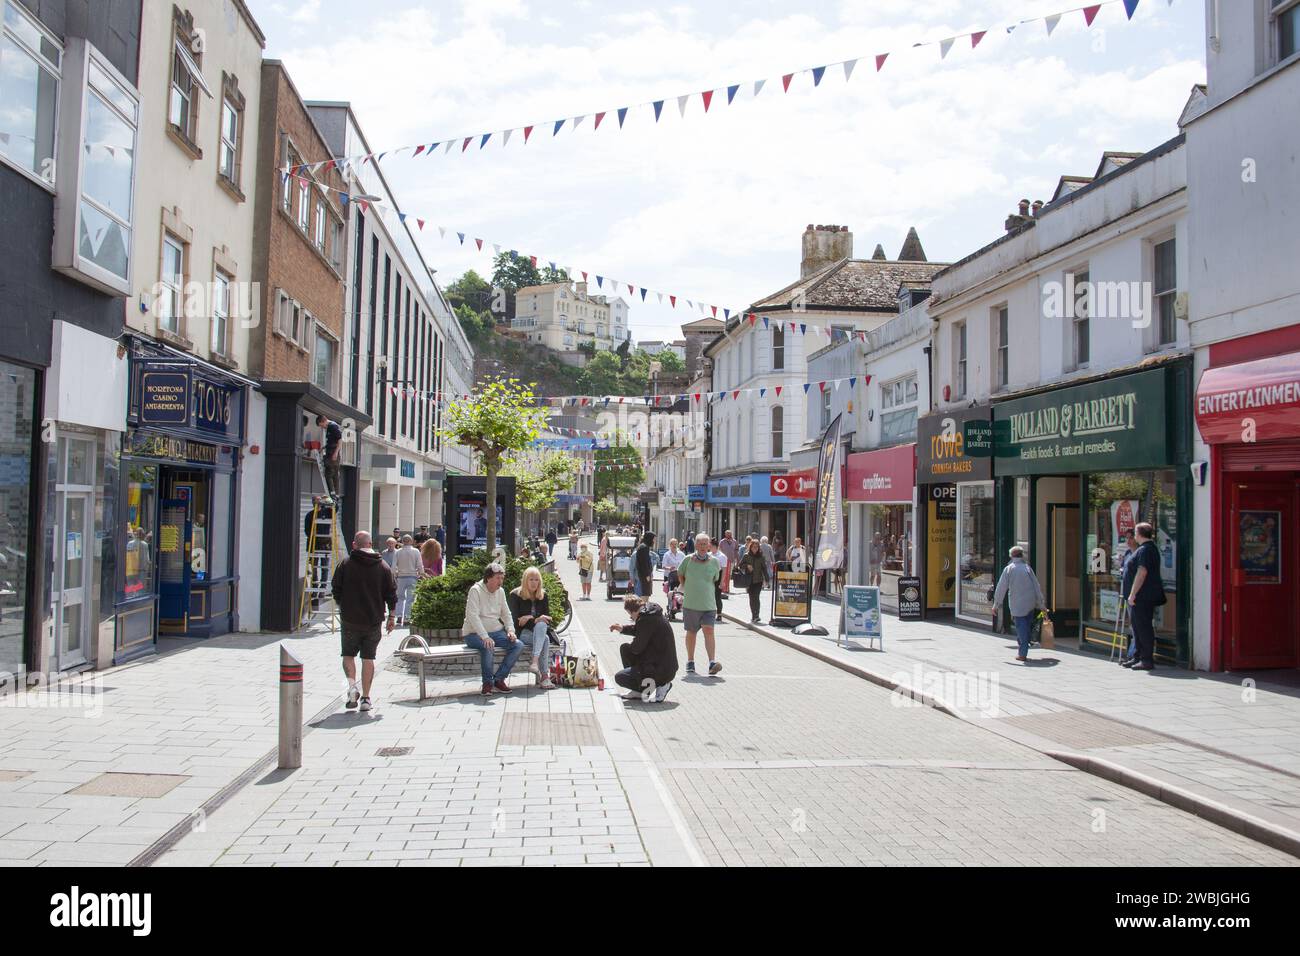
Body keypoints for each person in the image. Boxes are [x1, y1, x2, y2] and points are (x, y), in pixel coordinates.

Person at [331, 531, 396, 713]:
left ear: (354, 545)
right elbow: (391, 593)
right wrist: (392, 616)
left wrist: (343, 604)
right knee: (369, 658)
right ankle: (366, 698)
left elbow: (336, 588)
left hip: (350, 619)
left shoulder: (345, 564)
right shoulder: (382, 566)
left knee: (348, 656)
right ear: (370, 544)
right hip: (373, 620)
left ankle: (352, 688)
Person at [462, 562, 524, 695]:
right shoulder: (476, 590)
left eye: (502, 578)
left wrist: (511, 631)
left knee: (518, 645)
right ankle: (487, 683)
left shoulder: (500, 591)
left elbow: (506, 614)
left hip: (496, 632)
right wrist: (485, 636)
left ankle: (499, 679)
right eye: (498, 578)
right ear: (488, 578)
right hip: (474, 634)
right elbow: (473, 616)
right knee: (488, 645)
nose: (500, 581)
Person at [609, 595, 677, 703]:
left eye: (630, 615)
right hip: (661, 663)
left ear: (633, 612)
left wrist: (637, 662)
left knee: (620, 677)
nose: (631, 618)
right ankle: (641, 690)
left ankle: (663, 685)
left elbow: (637, 648)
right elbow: (640, 631)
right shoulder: (650, 614)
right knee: (626, 649)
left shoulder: (646, 620)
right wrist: (623, 629)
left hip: (662, 670)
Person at [991, 545, 1046, 662]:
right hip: (1030, 603)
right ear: (1022, 555)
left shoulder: (1009, 569)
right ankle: (1025, 643)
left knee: (1021, 629)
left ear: (1011, 556)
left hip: (1017, 605)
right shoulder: (1027, 568)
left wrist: (996, 605)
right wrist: (1041, 604)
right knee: (1025, 626)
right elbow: (1037, 586)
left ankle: (1022, 653)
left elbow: (1001, 588)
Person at [679, 533, 722, 676]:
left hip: (709, 604)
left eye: (705, 544)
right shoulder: (687, 560)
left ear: (709, 545)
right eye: (700, 544)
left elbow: (716, 578)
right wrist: (684, 585)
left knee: (709, 630)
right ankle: (690, 661)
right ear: (696, 545)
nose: (703, 546)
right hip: (691, 603)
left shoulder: (715, 561)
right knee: (691, 633)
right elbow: (680, 572)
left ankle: (712, 662)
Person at [1127, 522, 1167, 672]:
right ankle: (1137, 657)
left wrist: (1133, 594)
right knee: (1137, 627)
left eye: (1135, 533)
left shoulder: (1146, 550)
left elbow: (1142, 572)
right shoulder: (1145, 549)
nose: (1134, 536)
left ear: (1140, 534)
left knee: (1143, 627)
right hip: (1141, 596)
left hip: (1142, 597)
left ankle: (1146, 659)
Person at [508, 566, 555, 690]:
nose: (534, 583)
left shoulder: (543, 595)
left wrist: (530, 619)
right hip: (522, 633)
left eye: (536, 580)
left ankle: (535, 663)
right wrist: (535, 619)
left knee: (542, 627)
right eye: (531, 580)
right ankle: (544, 676)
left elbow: (547, 619)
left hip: (538, 631)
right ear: (525, 580)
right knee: (544, 639)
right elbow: (516, 621)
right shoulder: (515, 595)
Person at [1117, 530, 1140, 666]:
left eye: (1131, 538)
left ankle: (1133, 654)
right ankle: (1132, 653)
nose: (1129, 541)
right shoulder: (1127, 553)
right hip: (1127, 593)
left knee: (1136, 626)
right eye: (1127, 538)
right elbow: (1123, 569)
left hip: (1135, 594)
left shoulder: (1139, 553)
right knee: (1132, 625)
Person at [393, 534, 423, 626]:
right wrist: (421, 574)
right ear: (411, 541)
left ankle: (398, 616)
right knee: (410, 599)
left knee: (400, 598)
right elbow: (419, 565)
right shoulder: (416, 551)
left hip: (401, 577)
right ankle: (407, 617)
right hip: (412, 577)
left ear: (402, 542)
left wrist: (394, 576)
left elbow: (393, 567)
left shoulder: (398, 552)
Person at [739, 538, 770, 623]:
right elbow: (740, 565)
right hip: (749, 581)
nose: (755, 549)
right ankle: (753, 615)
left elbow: (764, 568)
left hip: (758, 580)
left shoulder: (761, 557)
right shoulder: (746, 555)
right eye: (753, 547)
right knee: (751, 598)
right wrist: (747, 566)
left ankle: (757, 615)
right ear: (750, 547)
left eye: (756, 547)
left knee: (756, 597)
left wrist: (767, 579)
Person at [316, 414, 343, 499]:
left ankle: (333, 493)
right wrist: (324, 447)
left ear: (323, 421)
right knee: (333, 473)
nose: (323, 428)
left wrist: (335, 453)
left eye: (321, 425)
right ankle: (335, 493)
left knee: (329, 473)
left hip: (332, 453)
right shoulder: (330, 427)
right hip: (331, 451)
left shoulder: (332, 426)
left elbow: (339, 440)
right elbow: (332, 441)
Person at [634, 531, 656, 598]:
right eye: (653, 539)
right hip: (644, 575)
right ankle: (644, 608)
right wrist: (647, 575)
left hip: (643, 574)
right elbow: (644, 563)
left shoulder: (643, 546)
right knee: (645, 595)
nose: (654, 541)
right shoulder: (644, 547)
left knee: (646, 594)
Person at [711, 537, 729, 611]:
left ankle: (719, 613)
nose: (710, 548)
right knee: (710, 595)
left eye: (712, 546)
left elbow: (724, 570)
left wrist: (722, 582)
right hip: (709, 576)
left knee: (717, 596)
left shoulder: (722, 556)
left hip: (718, 576)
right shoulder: (709, 555)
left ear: (716, 547)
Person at [719, 530, 739, 595]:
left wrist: (737, 560)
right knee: (724, 574)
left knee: (729, 575)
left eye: (729, 534)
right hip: (723, 561)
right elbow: (719, 551)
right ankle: (723, 588)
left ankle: (727, 588)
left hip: (731, 560)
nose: (728, 535)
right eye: (727, 534)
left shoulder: (734, 542)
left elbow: (736, 551)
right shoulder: (722, 542)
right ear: (725, 534)